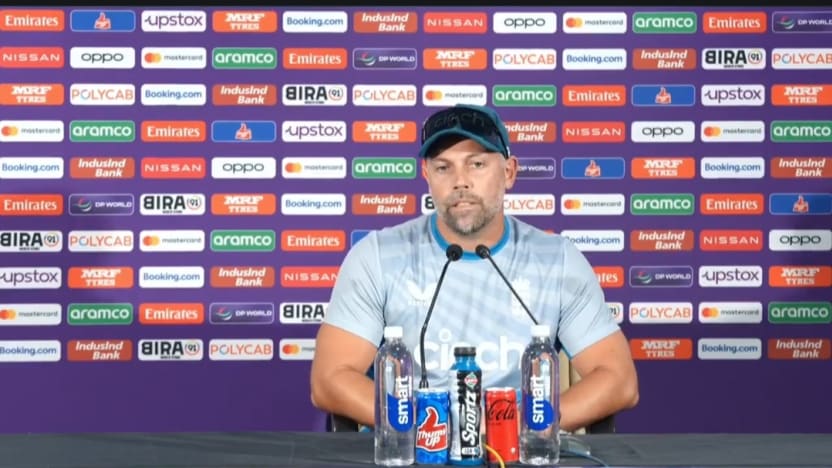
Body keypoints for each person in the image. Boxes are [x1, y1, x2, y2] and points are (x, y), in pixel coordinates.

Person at [310, 104, 638, 432]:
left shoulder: (557, 259)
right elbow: (330, 380)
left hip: (515, 450)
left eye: (477, 164)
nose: (460, 182)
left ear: (509, 172)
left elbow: (618, 380)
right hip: (412, 448)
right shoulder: (378, 256)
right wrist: (434, 428)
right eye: (443, 168)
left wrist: (515, 426)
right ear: (426, 176)